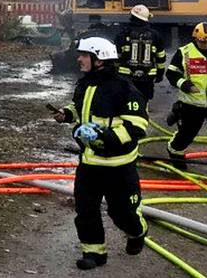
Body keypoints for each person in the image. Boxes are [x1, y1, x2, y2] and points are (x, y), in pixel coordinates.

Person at [53, 36, 149, 270]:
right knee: (86, 210)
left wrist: (104, 138)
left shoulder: (124, 88)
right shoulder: (85, 84)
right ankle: (94, 253)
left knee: (123, 213)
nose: (79, 59)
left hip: (119, 167)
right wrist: (67, 114)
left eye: (84, 55)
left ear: (99, 59)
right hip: (89, 164)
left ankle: (137, 232)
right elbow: (80, 108)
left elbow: (137, 126)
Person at [163, 22, 207, 175]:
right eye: (201, 41)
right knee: (186, 135)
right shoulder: (184, 52)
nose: (205, 44)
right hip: (191, 104)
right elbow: (172, 73)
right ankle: (175, 152)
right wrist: (183, 84)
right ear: (195, 39)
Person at [115, 4, 166, 103]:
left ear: (132, 17)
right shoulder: (156, 36)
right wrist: (160, 74)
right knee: (143, 103)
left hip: (125, 78)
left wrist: (115, 71)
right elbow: (161, 57)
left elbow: (116, 56)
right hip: (147, 79)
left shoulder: (122, 34)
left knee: (124, 103)